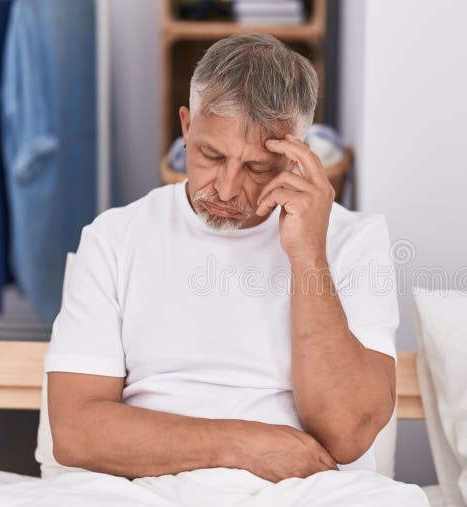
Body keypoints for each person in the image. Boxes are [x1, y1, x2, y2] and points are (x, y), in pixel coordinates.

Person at [46, 33, 399, 482]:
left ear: (298, 157)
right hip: (144, 494)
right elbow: (75, 432)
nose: (227, 189)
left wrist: (308, 254)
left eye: (257, 167)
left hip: (307, 499)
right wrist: (242, 445)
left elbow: (347, 434)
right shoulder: (114, 238)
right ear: (187, 127)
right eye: (211, 155)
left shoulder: (354, 240)